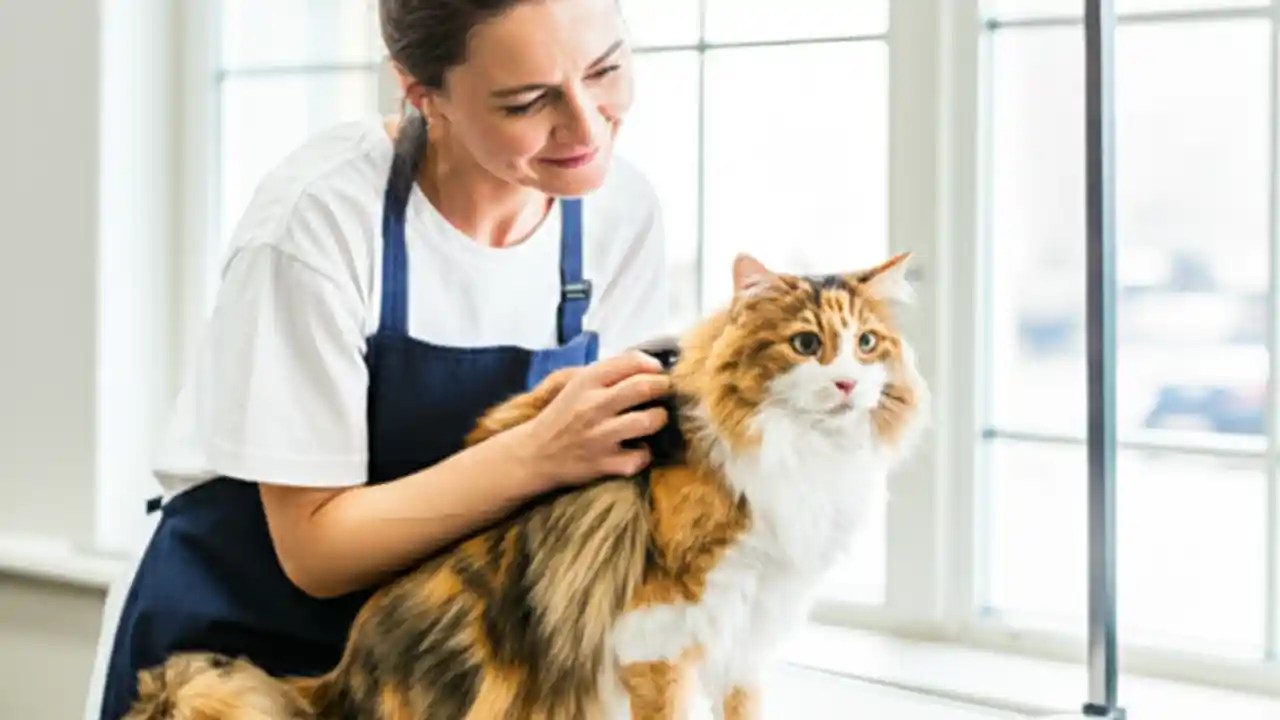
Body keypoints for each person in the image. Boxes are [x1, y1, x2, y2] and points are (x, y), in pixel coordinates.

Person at [96, 0, 672, 716]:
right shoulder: (319, 220)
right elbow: (315, 551)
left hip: (434, 669)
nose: (589, 126)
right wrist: (538, 453)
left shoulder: (622, 213)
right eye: (528, 101)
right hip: (240, 658)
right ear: (422, 93)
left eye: (606, 69)